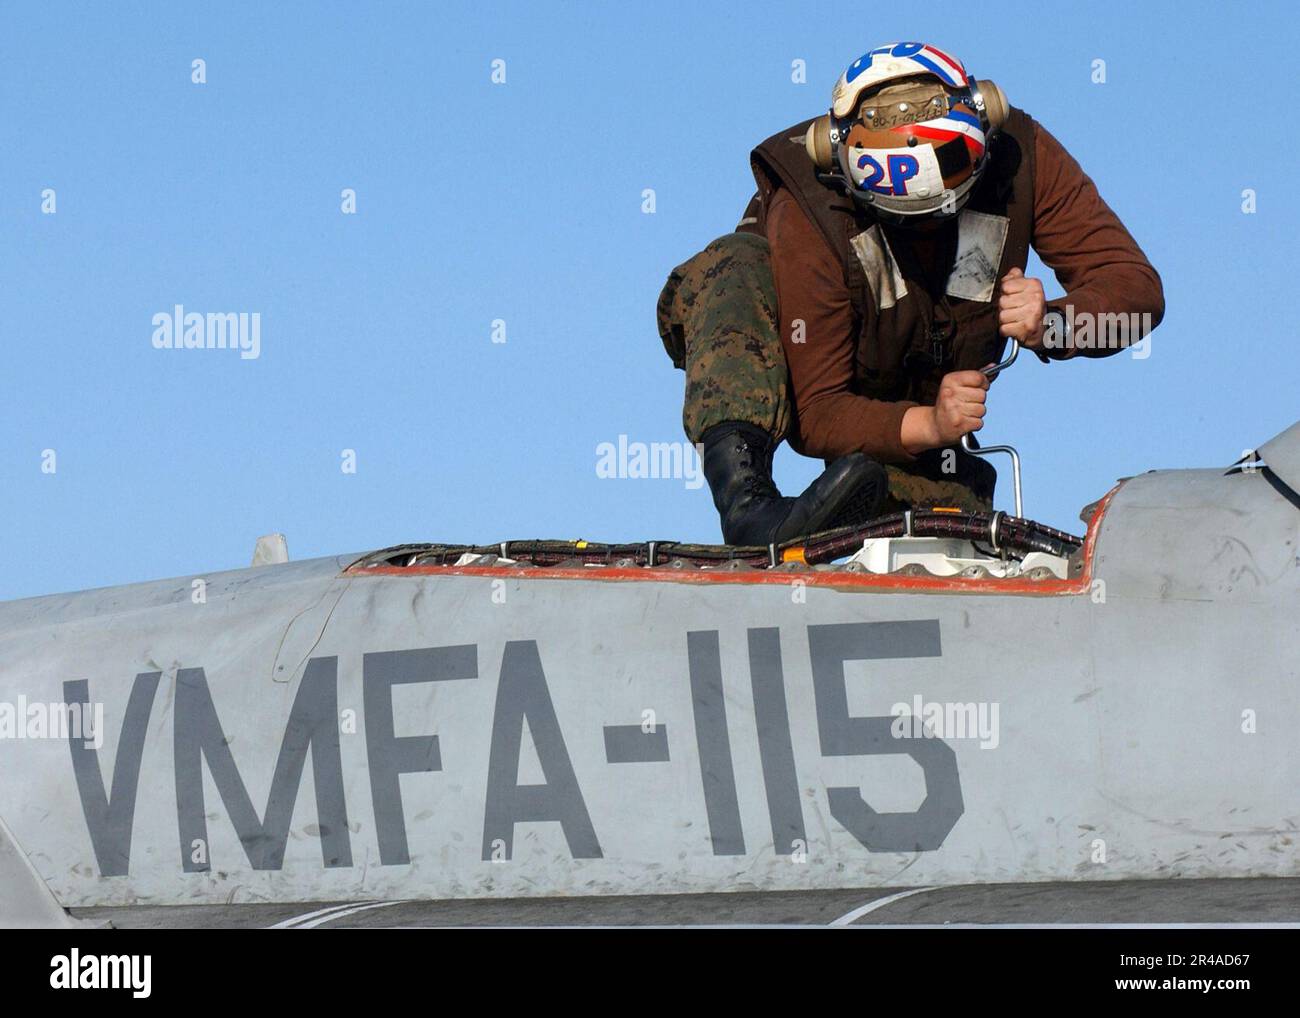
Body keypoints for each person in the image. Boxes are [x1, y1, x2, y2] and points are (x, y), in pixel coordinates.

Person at [657, 41, 1164, 545]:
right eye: (908, 221)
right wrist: (931, 422)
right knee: (734, 265)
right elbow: (820, 411)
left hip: (927, 412)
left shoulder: (1019, 154)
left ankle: (890, 497)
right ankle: (750, 508)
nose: (931, 230)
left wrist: (1051, 323)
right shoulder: (808, 204)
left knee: (945, 544)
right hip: (823, 377)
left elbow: (1135, 290)